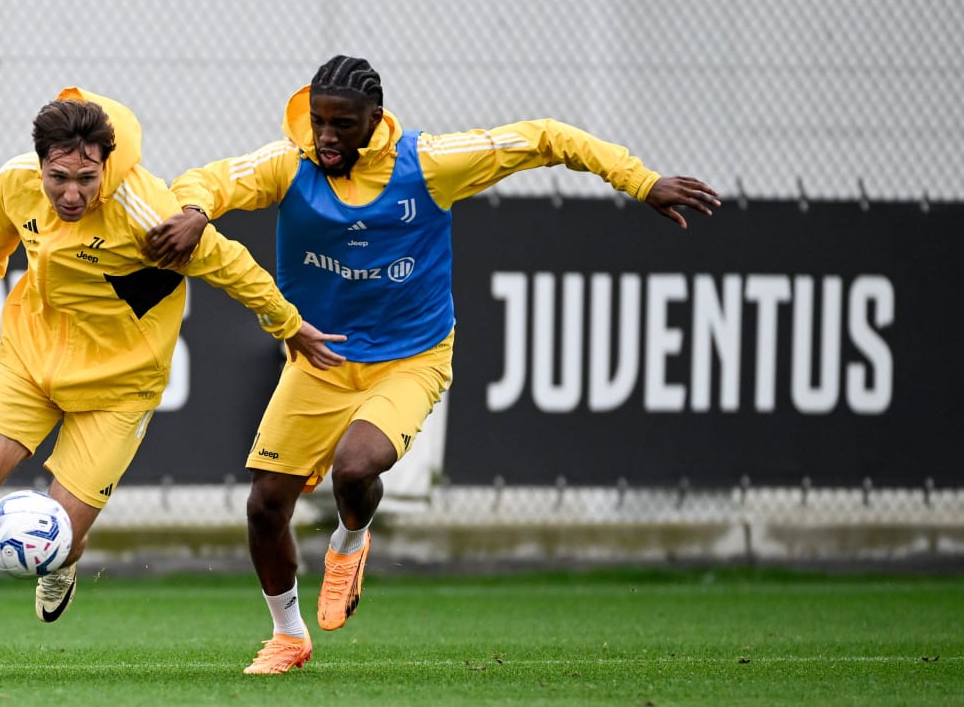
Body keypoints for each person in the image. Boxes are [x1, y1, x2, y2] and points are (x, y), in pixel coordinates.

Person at [145, 55, 721, 675]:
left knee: (356, 466)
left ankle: (350, 539)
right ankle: (289, 636)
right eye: (318, 121)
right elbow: (210, 178)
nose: (327, 136)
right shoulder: (291, 163)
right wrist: (196, 212)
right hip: (320, 358)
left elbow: (547, 137)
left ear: (377, 119)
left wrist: (640, 181)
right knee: (263, 506)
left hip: (409, 358)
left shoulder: (430, 165)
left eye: (343, 124)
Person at [0, 87, 344, 678]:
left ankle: (63, 563)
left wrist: (288, 325)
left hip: (121, 387)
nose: (71, 193)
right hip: (29, 364)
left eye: (86, 178)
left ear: (106, 165)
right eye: (59, 176)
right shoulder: (14, 184)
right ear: (39, 162)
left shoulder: (148, 210)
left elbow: (234, 267)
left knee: (58, 540)